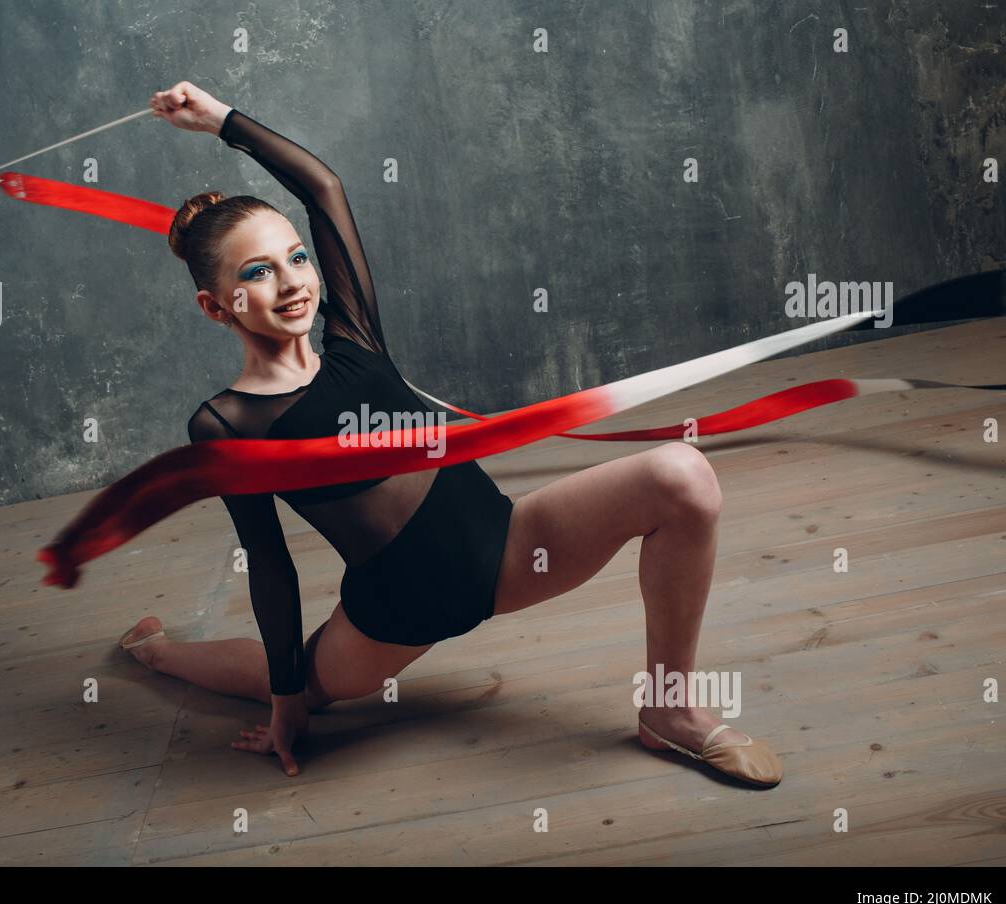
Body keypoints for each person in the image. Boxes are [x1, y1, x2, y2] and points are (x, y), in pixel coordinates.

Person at [121, 80, 782, 787]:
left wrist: (221, 119)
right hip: (395, 615)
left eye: (297, 257)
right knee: (304, 686)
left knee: (682, 477)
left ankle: (670, 711)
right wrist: (287, 704)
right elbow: (270, 562)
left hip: (506, 551)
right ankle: (157, 655)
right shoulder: (225, 422)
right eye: (258, 272)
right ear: (217, 306)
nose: (290, 282)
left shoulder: (355, 336)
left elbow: (323, 188)